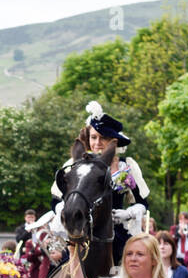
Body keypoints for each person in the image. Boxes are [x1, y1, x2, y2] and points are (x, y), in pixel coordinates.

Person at [52, 101, 151, 267]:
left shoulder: (126, 166)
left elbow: (143, 204)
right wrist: (70, 212)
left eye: (103, 138)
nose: (97, 142)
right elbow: (56, 199)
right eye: (93, 137)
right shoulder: (76, 164)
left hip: (115, 233)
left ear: (114, 141)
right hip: (81, 227)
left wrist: (127, 214)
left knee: (137, 264)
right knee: (59, 270)